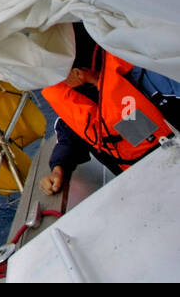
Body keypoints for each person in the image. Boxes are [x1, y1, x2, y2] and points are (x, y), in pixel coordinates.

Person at [39, 22, 180, 195]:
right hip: (147, 184)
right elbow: (70, 129)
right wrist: (59, 166)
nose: (57, 81)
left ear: (78, 73)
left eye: (58, 74)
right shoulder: (86, 93)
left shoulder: (146, 78)